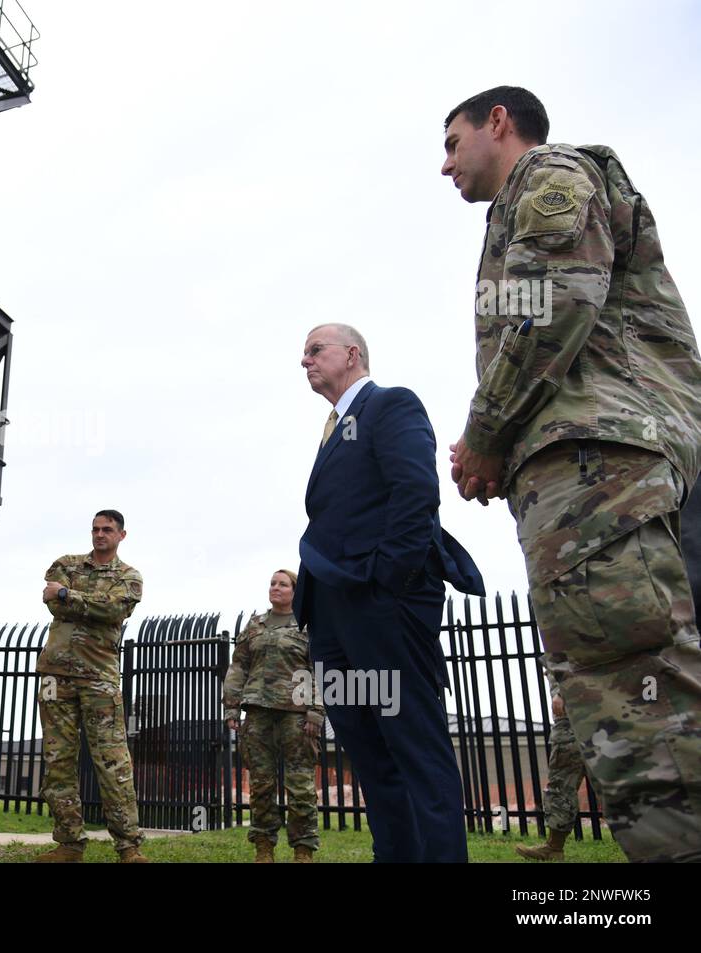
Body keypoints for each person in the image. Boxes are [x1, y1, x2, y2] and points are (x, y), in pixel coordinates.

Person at [441, 86, 701, 862]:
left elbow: (553, 303)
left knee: (634, 687)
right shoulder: (518, 205)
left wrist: (486, 433)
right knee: (617, 678)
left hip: (600, 460)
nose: (444, 163)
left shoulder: (552, 175)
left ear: (499, 123)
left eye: (453, 142)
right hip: (594, 459)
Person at [295, 323, 484, 863]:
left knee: (415, 748)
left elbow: (416, 491)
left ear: (351, 354)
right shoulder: (333, 430)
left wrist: (388, 584)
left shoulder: (391, 405)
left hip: (383, 606)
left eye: (315, 350)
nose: (303, 361)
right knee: (369, 752)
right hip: (330, 611)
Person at [34, 509, 147, 864]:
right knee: (58, 761)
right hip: (55, 675)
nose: (100, 535)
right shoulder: (66, 563)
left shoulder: (129, 576)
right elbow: (52, 601)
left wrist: (69, 595)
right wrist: (70, 598)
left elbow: (114, 611)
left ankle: (128, 847)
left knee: (112, 762)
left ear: (121, 535)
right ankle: (69, 844)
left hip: (99, 677)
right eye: (95, 529)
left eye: (107, 530)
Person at [224, 569, 323, 863]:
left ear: (296, 591)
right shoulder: (255, 625)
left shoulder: (309, 625)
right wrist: (231, 707)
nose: (275, 588)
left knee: (301, 785)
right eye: (272, 583)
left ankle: (303, 850)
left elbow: (321, 669)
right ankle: (264, 848)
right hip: (257, 714)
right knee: (261, 784)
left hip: (297, 716)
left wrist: (316, 711)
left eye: (283, 584)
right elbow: (238, 667)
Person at [516, 685, 587, 861]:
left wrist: (563, 690)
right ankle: (554, 848)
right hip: (583, 715)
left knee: (561, 783)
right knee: (560, 784)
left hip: (578, 714)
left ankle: (554, 848)